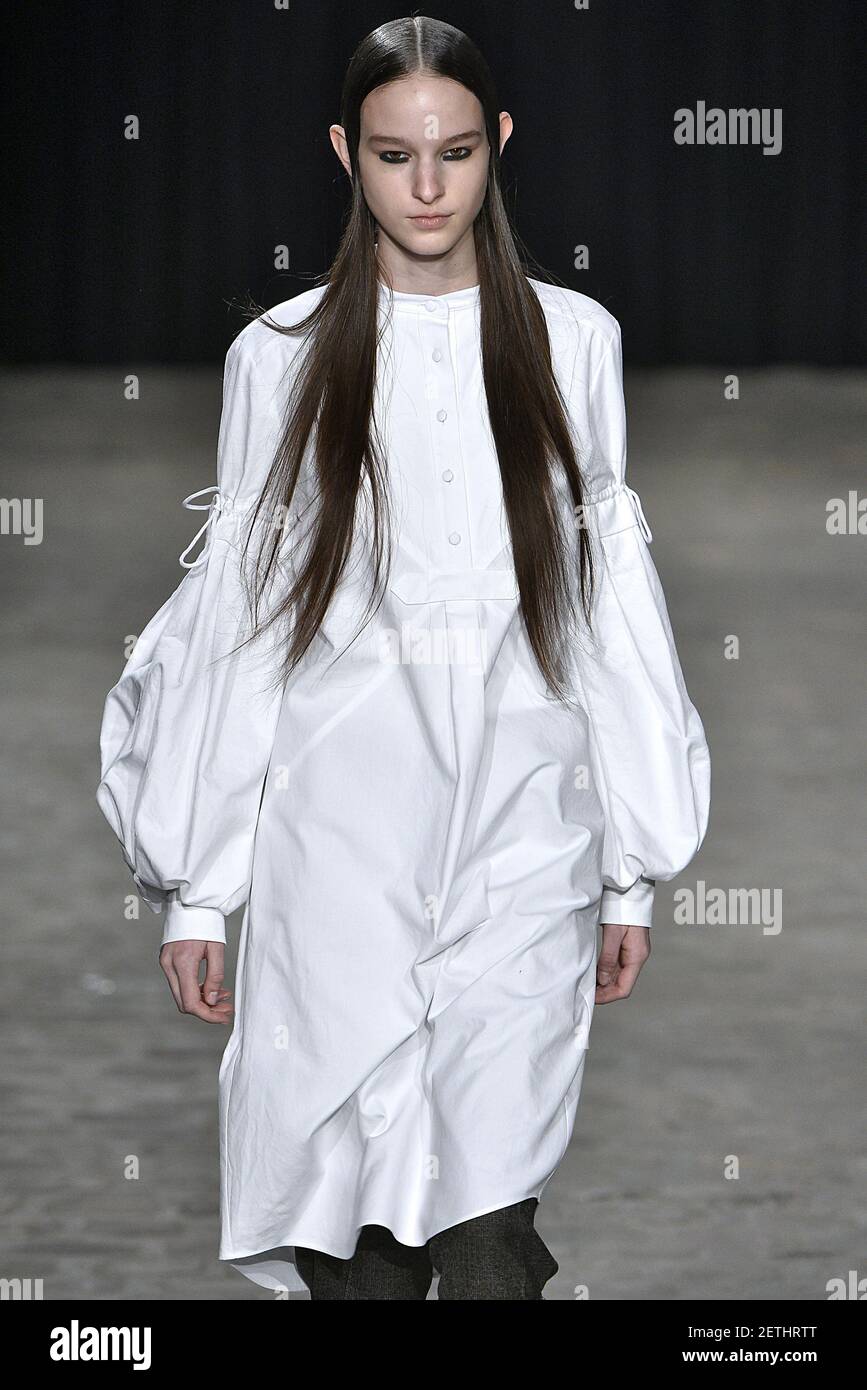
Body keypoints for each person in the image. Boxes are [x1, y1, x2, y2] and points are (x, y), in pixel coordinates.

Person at [96, 15, 710, 1301]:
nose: (426, 189)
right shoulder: (279, 355)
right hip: (339, 850)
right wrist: (200, 886)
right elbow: (244, 626)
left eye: (454, 152)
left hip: (521, 834)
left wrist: (633, 871)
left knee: (488, 1238)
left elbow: (605, 610)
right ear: (344, 153)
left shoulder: (572, 341)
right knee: (359, 1253)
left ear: (499, 148)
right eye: (392, 154)